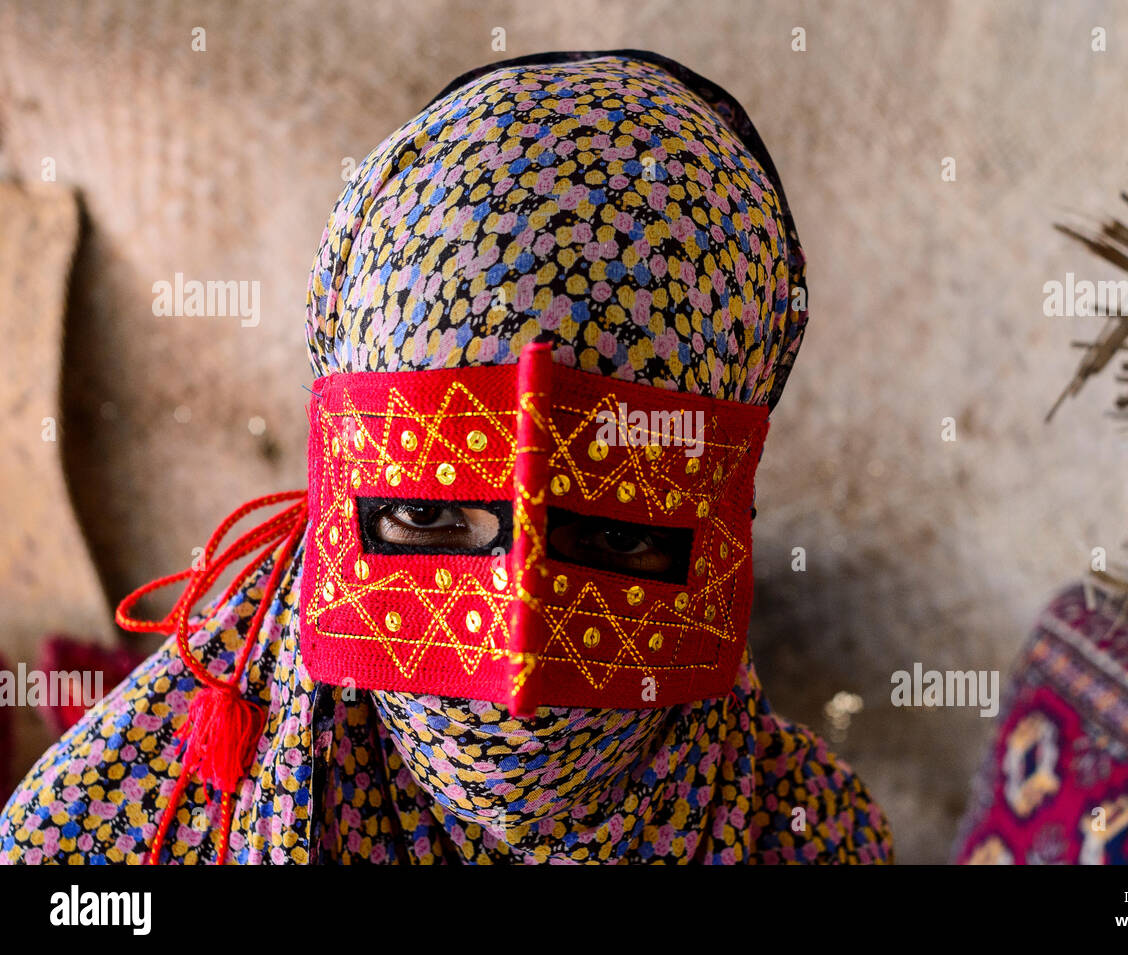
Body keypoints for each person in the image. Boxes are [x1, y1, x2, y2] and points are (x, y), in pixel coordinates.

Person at [0, 50, 891, 864]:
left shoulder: (813, 838)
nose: (515, 676)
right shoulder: (104, 837)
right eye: (426, 515)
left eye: (616, 538)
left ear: (724, 524)